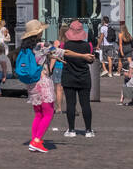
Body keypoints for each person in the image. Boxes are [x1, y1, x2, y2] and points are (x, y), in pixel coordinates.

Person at [15, 19, 55, 153]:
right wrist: (83, 55)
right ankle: (37, 141)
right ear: (38, 33)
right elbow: (60, 51)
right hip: (42, 81)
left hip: (31, 83)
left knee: (38, 113)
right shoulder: (42, 45)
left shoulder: (25, 48)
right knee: (48, 112)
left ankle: (34, 139)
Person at [59, 19, 95, 138]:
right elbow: (90, 61)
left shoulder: (65, 45)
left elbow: (62, 56)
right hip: (84, 76)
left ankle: (71, 129)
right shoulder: (87, 46)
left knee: (70, 104)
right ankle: (89, 130)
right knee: (85, 104)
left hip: (69, 76)